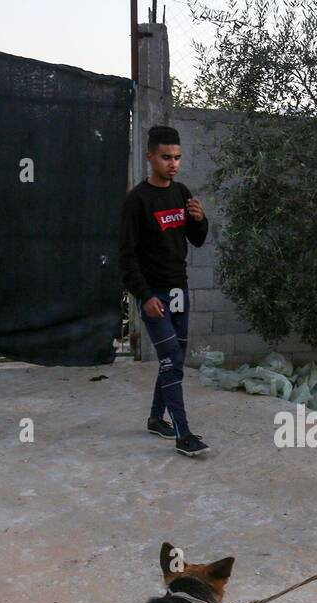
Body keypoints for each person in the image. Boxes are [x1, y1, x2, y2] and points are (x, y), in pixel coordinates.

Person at [119, 125, 211, 457]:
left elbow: (196, 240)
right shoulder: (137, 201)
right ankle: (183, 434)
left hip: (178, 291)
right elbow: (126, 258)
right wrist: (145, 296)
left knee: (175, 359)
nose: (173, 164)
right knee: (171, 360)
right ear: (150, 157)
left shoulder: (182, 192)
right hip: (153, 294)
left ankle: (157, 418)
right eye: (166, 157)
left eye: (177, 158)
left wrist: (200, 220)